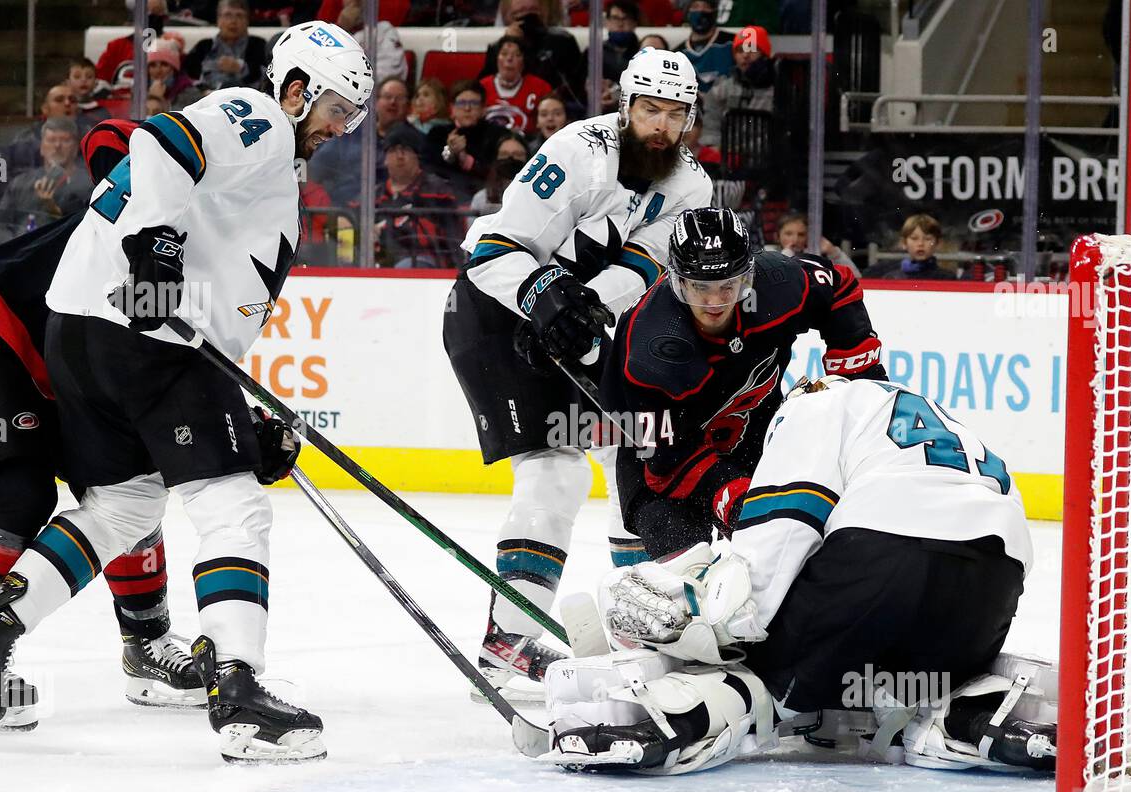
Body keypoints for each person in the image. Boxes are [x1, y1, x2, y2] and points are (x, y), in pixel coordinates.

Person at [0, 21, 373, 764]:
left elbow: (216, 304)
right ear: (299, 88)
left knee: (125, 504)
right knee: (231, 503)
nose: (340, 128)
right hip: (143, 336)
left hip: (85, 330)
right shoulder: (267, 120)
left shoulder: (265, 163)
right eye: (338, 107)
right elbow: (163, 138)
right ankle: (239, 693)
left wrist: (245, 414)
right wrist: (157, 246)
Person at [540, 375, 1052, 777]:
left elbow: (776, 544)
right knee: (908, 686)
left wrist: (705, 629)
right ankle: (967, 713)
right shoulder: (913, 413)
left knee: (761, 673)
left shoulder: (810, 401)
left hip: (881, 563)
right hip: (989, 595)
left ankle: (675, 719)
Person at [443, 48, 711, 695]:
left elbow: (647, 266)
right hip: (495, 316)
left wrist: (588, 305)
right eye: (649, 109)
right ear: (625, 107)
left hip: (574, 324)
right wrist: (545, 295)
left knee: (629, 457)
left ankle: (644, 619)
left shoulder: (692, 185)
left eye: (674, 114)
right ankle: (508, 639)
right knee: (556, 474)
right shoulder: (578, 150)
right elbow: (492, 254)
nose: (660, 126)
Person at [0, 118, 205, 724]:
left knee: (125, 480)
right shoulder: (162, 204)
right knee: (22, 491)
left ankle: (145, 646)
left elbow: (183, 358)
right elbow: (109, 136)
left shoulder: (215, 255)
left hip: (66, 357)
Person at [602, 207, 885, 561]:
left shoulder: (776, 284)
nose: (715, 301)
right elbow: (665, 462)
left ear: (748, 276)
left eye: (727, 284)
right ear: (678, 281)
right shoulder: (652, 347)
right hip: (661, 462)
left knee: (799, 560)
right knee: (689, 574)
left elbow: (838, 285)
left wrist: (858, 380)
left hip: (754, 437)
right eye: (700, 287)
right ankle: (643, 598)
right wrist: (733, 499)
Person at [309, 75, 411, 206]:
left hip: (391, 213)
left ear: (409, 105)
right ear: (376, 102)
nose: (393, 102)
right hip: (343, 213)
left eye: (400, 98)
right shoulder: (350, 134)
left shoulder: (414, 142)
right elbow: (315, 171)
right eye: (387, 96)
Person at [0, 118, 93, 244]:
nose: (57, 146)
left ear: (76, 147)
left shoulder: (89, 185)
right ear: (42, 148)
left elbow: (89, 232)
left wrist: (54, 210)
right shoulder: (21, 182)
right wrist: (17, 247)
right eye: (51, 140)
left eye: (65, 140)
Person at [375, 123, 461, 268]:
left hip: (427, 262)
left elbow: (442, 237)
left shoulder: (438, 191)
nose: (400, 156)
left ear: (417, 156)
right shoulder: (374, 194)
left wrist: (385, 228)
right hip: (380, 261)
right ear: (385, 158)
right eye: (393, 150)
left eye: (406, 149)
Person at [482, 0, 585, 106]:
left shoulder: (562, 42)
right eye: (519, 13)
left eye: (533, 11)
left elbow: (576, 87)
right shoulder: (497, 49)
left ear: (543, 12)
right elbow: (484, 89)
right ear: (508, 17)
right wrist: (512, 42)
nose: (527, 19)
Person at [701, 26, 775, 151]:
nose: (745, 55)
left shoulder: (780, 89)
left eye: (752, 49)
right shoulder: (721, 89)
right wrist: (716, 149)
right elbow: (710, 128)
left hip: (765, 159)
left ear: (765, 54)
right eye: (740, 50)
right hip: (725, 159)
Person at [431, 80, 503, 198]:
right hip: (444, 197)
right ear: (452, 109)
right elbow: (430, 168)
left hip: (486, 195)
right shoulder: (437, 133)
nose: (467, 108)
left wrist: (467, 160)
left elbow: (497, 173)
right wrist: (450, 153)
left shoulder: (497, 135)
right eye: (461, 103)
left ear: (483, 109)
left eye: (474, 103)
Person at [183, 0, 271, 91]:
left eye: (239, 15)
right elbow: (187, 77)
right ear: (218, 19)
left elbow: (268, 76)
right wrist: (203, 90)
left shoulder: (259, 45)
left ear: (247, 20)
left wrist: (241, 67)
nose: (233, 21)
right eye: (228, 15)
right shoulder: (204, 46)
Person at [480, 36, 554, 134]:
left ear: (524, 61)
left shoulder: (541, 87)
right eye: (504, 54)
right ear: (496, 59)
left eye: (517, 54)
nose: (509, 59)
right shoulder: (481, 87)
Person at [863, 213, 957, 280]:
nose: (920, 243)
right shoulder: (892, 277)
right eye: (914, 238)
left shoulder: (947, 278)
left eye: (927, 239)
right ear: (904, 243)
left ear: (938, 243)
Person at [776, 212, 860, 276]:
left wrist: (833, 253)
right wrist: (786, 256)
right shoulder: (767, 252)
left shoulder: (817, 257)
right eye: (788, 234)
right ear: (778, 236)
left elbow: (856, 277)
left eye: (801, 234)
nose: (795, 239)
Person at [674, 0, 734, 90]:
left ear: (714, 11)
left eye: (706, 6)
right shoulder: (678, 54)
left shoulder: (732, 43)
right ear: (687, 13)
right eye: (695, 6)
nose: (701, 10)